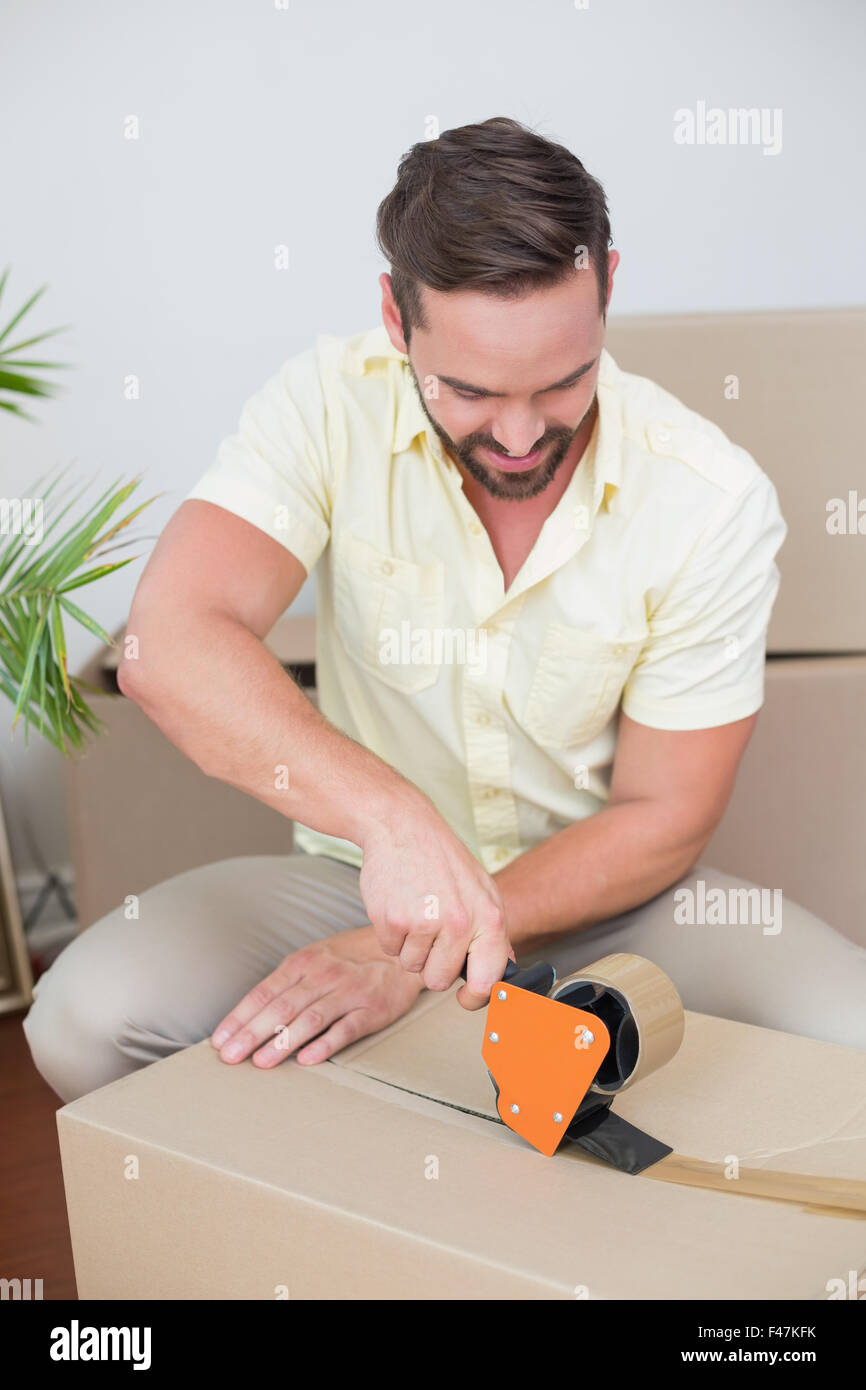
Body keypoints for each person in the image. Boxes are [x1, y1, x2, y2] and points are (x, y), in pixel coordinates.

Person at [23, 116, 866, 1105]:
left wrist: (426, 949)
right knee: (83, 1020)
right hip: (355, 885)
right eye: (466, 389)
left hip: (606, 901)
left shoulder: (708, 494)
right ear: (394, 316)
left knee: (850, 1043)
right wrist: (394, 826)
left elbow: (664, 815)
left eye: (562, 381)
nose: (518, 435)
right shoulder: (325, 404)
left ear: (607, 286)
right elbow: (166, 644)